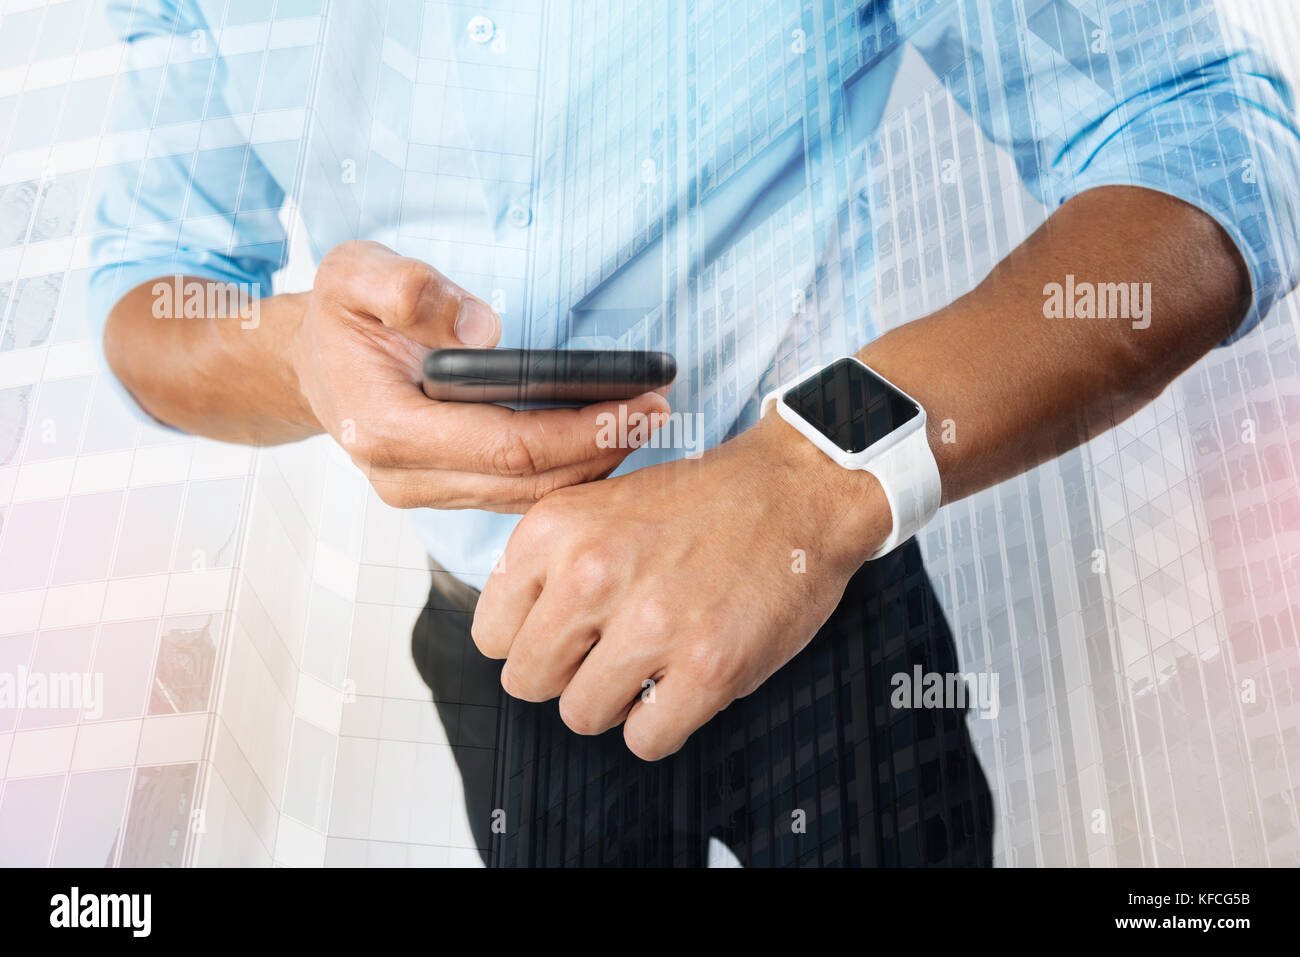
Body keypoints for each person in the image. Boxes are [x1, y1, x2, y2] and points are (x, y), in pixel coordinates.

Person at [90, 0, 1300, 866]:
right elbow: (151, 287)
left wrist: (812, 468)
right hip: (499, 645)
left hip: (829, 606)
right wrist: (296, 347)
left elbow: (1209, 143)